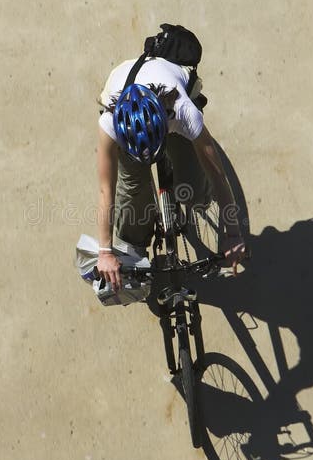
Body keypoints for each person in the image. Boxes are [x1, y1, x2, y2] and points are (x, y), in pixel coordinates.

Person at [96, 29, 247, 291]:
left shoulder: (184, 112)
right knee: (132, 191)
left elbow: (217, 176)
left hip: (170, 112)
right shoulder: (109, 123)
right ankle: (134, 244)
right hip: (127, 105)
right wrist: (105, 252)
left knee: (195, 188)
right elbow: (105, 189)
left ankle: (190, 197)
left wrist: (232, 233)